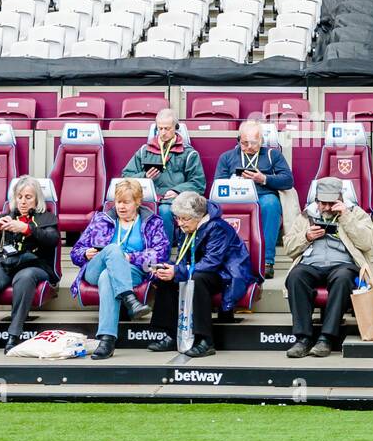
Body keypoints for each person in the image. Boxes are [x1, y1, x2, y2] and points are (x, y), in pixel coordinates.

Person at [147, 191, 257, 359]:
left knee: (198, 279)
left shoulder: (218, 227)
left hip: (227, 274)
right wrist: (171, 269)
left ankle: (205, 340)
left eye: (185, 219)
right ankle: (171, 334)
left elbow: (211, 263)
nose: (180, 223)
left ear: (199, 216)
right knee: (166, 277)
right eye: (178, 218)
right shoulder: (187, 227)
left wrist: (179, 271)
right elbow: (184, 259)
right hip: (203, 270)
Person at [69, 178, 168, 360]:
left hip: (132, 270)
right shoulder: (101, 219)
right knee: (113, 249)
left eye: (127, 202)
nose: (121, 207)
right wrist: (86, 253)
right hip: (95, 269)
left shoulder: (152, 222)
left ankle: (107, 340)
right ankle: (130, 300)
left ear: (137, 202)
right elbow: (75, 252)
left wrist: (131, 257)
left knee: (108, 277)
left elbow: (160, 254)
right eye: (118, 202)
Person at [282, 176, 373, 359]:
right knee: (296, 276)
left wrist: (346, 218)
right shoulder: (306, 215)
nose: (325, 207)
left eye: (330, 203)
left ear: (340, 199)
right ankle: (303, 338)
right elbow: (288, 247)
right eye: (321, 203)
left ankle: (326, 338)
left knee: (342, 278)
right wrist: (306, 237)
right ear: (316, 200)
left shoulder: (355, 213)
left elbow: (368, 243)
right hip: (311, 264)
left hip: (343, 264)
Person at [0, 176, 61, 354]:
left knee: (25, 277)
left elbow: (53, 240)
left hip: (35, 265)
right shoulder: (5, 217)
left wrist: (27, 229)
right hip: (6, 264)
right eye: (20, 197)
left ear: (37, 199)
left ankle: (14, 335)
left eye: (28, 197)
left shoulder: (47, 217)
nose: (23, 201)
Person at [213, 119, 292, 278]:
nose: (249, 147)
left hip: (263, 196)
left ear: (261, 140)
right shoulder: (227, 157)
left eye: (253, 143)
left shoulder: (272, 155)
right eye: (244, 143)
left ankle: (266, 262)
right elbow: (218, 184)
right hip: (236, 198)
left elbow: (288, 180)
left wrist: (263, 178)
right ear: (238, 140)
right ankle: (224, 259)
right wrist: (232, 182)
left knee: (271, 204)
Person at [120, 107, 206, 247]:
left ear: (176, 128)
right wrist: (144, 176)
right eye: (160, 129)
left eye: (167, 128)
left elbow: (198, 183)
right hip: (148, 198)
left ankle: (163, 251)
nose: (163, 133)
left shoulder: (189, 153)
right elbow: (126, 177)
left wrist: (178, 191)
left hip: (173, 200)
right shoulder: (144, 151)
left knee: (165, 210)